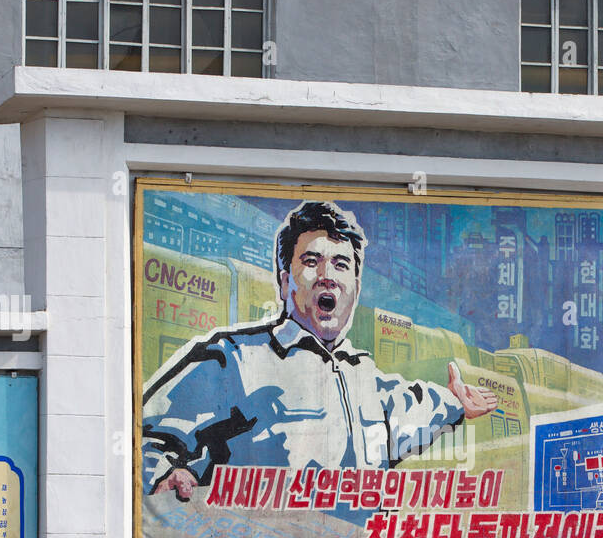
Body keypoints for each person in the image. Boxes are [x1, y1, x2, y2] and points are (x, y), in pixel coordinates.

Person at [141, 200, 498, 501]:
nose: (328, 274)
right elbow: (149, 436)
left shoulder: (367, 378)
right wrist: (164, 475)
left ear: (355, 289)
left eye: (341, 264)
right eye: (311, 262)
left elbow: (416, 408)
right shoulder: (232, 358)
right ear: (285, 282)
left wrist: (456, 404)